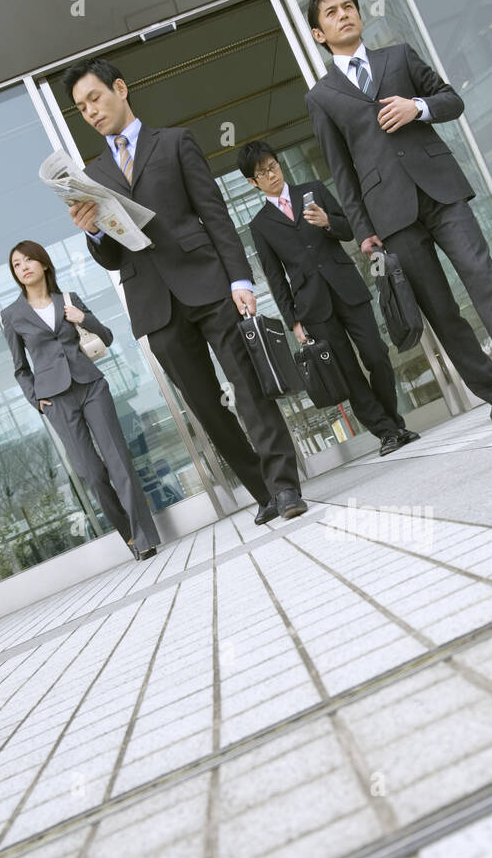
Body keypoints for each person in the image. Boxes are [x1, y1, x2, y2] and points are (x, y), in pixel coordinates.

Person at [304, 0, 492, 422]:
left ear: (360, 16)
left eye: (349, 6)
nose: (344, 14)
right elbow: (340, 169)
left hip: (441, 191)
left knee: (483, 275)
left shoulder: (399, 56)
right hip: (391, 216)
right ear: (319, 35)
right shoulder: (322, 97)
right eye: (331, 13)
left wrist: (417, 107)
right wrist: (364, 231)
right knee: (442, 309)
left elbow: (452, 100)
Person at [60, 56, 307, 523]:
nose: (91, 112)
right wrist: (92, 232)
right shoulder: (91, 177)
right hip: (155, 306)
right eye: (81, 108)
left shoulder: (174, 143)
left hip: (209, 283)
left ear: (120, 88)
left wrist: (239, 279)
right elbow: (113, 257)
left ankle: (286, 486)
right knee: (209, 409)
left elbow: (215, 214)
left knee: (249, 389)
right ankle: (263, 493)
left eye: (95, 98)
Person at [239, 140, 420, 457]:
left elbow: (349, 229)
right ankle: (387, 432)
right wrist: (293, 321)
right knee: (348, 373)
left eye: (273, 166)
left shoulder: (313, 190)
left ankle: (392, 420)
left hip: (346, 287)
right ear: (252, 182)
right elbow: (275, 276)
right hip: (312, 306)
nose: (272, 175)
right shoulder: (260, 225)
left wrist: (328, 223)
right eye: (262, 173)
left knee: (376, 354)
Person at [2, 240, 160, 560]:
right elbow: (20, 369)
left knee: (119, 462)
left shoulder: (68, 299)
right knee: (92, 474)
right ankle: (129, 534)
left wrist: (81, 318)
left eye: (29, 260)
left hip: (90, 387)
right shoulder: (12, 315)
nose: (24, 267)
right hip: (56, 400)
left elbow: (107, 337)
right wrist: (36, 399)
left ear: (44, 264)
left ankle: (144, 539)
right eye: (17, 265)